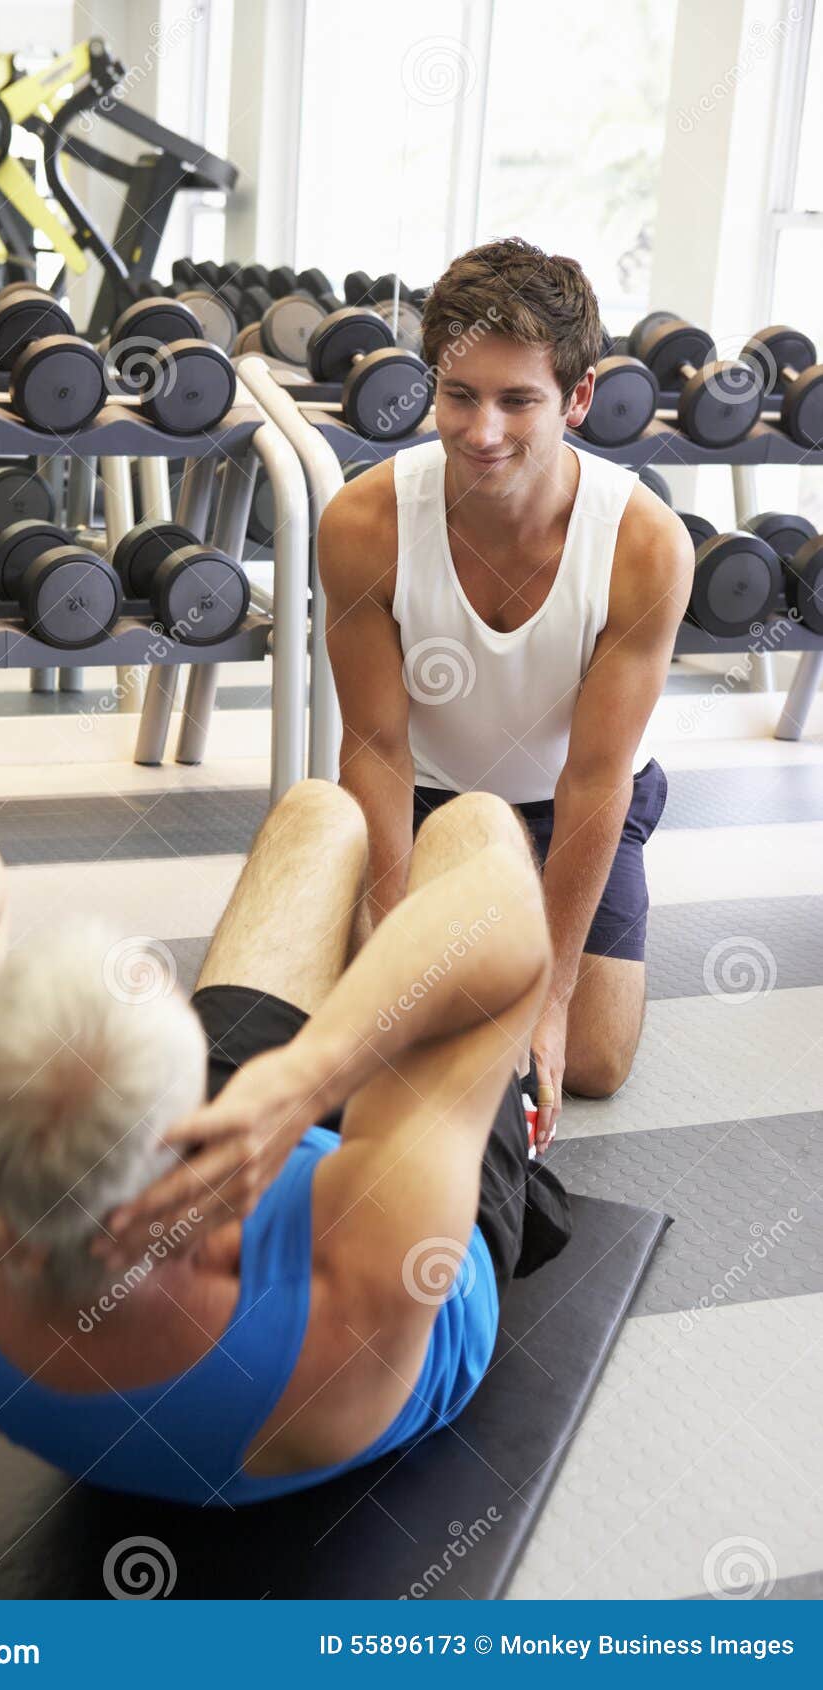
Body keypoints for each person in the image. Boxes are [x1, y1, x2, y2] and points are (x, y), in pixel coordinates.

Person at [0, 780, 566, 1507]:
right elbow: (506, 909)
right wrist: (307, 1081)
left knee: (319, 812)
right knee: (469, 824)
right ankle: (482, 1078)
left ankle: (370, 989)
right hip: (377, 1195)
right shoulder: (352, 1299)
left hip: (184, 1137)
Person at [319, 237, 694, 1151]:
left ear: (577, 396)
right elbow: (373, 748)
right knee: (365, 1024)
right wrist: (395, 942)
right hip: (425, 799)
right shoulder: (364, 523)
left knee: (593, 1060)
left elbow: (596, 780)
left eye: (517, 400)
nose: (481, 431)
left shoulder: (643, 545)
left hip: (570, 804)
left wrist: (549, 1000)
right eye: (458, 396)